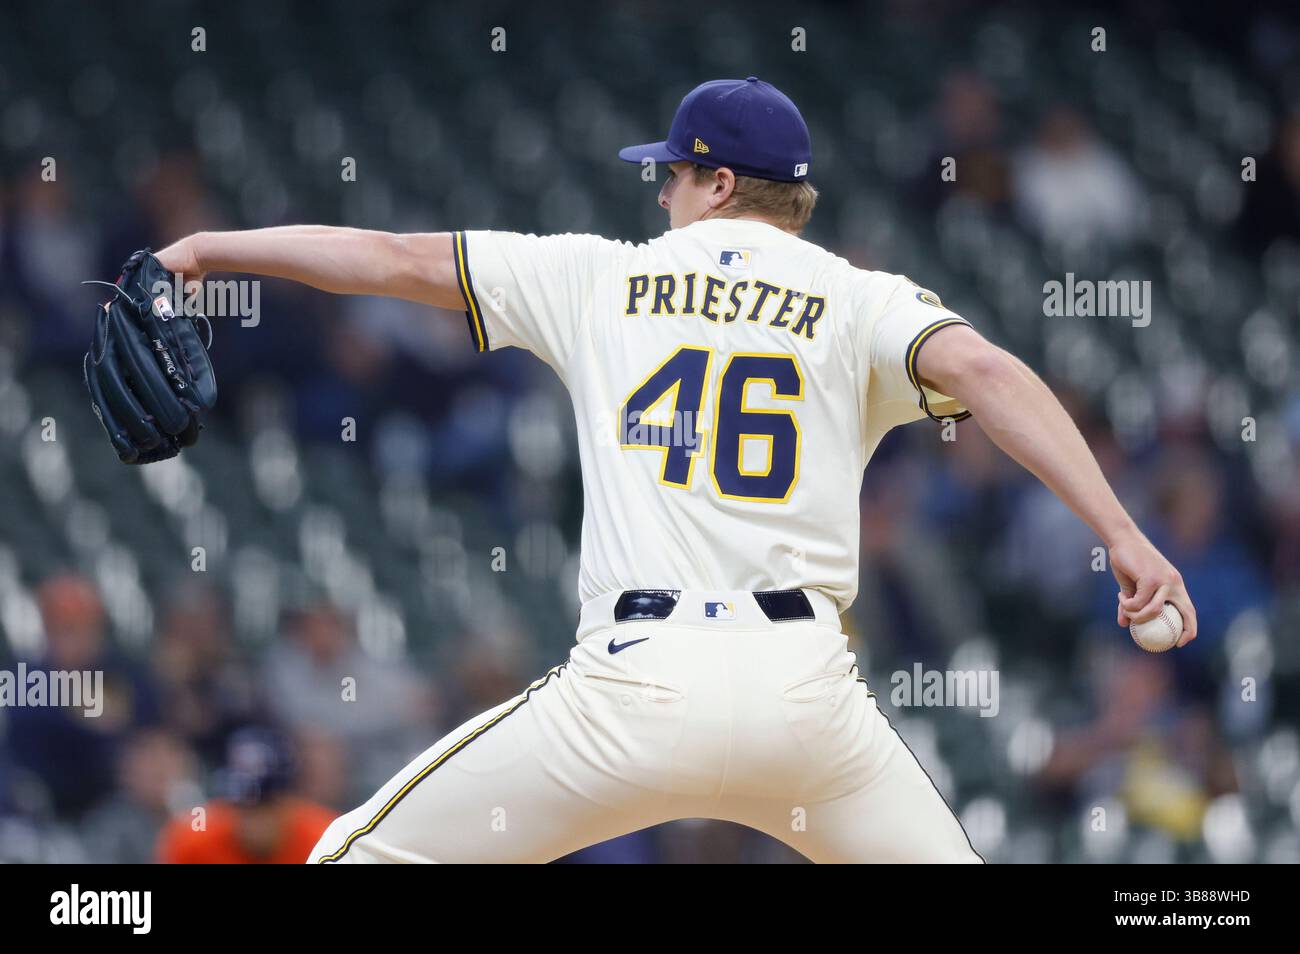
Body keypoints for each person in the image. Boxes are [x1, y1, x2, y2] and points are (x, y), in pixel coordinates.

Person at [148, 77, 1196, 863]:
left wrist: (207, 249)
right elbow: (982, 367)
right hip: (806, 706)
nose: (660, 193)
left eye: (671, 174)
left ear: (718, 184)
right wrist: (1121, 532)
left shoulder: (602, 274)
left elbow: (393, 257)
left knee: (353, 859)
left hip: (632, 693)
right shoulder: (859, 296)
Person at [156, 726, 335, 864]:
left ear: (288, 801)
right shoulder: (192, 842)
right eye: (245, 807)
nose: (255, 821)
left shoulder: (326, 841)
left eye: (265, 806)